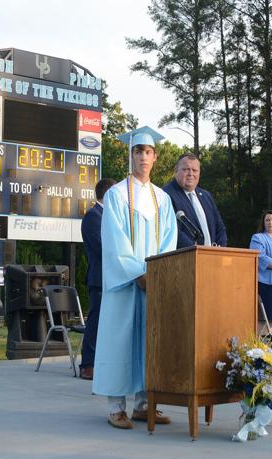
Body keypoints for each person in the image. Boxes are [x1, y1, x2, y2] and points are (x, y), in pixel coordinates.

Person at [92, 127, 178, 430]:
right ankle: (116, 406)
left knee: (150, 342)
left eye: (148, 151)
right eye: (138, 151)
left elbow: (169, 240)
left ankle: (145, 404)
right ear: (131, 155)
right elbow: (114, 240)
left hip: (152, 282)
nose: (143, 156)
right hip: (125, 282)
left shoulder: (162, 199)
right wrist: (136, 272)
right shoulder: (116, 195)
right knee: (120, 341)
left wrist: (158, 272)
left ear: (155, 157)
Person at [78, 178, 116, 381]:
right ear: (108, 194)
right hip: (100, 278)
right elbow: (102, 248)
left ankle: (105, 363)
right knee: (96, 320)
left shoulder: (112, 217)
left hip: (114, 278)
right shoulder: (94, 216)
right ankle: (88, 364)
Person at [163, 153, 228, 248]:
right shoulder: (166, 195)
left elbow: (220, 227)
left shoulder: (206, 196)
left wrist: (220, 248)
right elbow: (173, 231)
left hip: (213, 257)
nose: (191, 174)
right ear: (176, 171)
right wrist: (196, 250)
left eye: (195, 170)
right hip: (185, 258)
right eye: (185, 170)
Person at [250, 210, 272, 336]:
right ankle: (263, 352)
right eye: (267, 220)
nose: (270, 222)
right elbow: (260, 257)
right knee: (266, 318)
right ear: (263, 223)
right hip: (266, 284)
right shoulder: (258, 237)